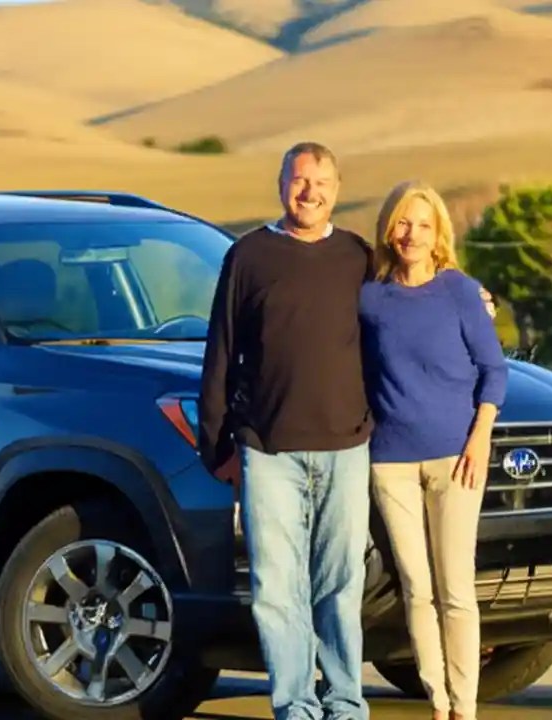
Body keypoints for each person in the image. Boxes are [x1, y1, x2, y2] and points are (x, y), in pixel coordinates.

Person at [198, 141, 374, 720]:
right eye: (300, 180)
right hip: (268, 451)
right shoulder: (249, 256)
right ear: (281, 185)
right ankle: (295, 706)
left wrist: (474, 299)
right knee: (277, 592)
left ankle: (345, 703)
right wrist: (216, 445)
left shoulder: (358, 258)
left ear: (337, 189)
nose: (310, 191)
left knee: (340, 585)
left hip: (347, 446)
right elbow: (220, 352)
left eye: (321, 181)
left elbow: (409, 310)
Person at [357, 180, 507, 720]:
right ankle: (438, 703)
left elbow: (494, 370)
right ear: (388, 229)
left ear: (438, 231)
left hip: (457, 459)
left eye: (422, 224)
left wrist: (480, 440)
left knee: (456, 589)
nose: (411, 234)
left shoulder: (460, 292)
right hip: (390, 461)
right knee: (417, 589)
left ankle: (465, 707)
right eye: (402, 222)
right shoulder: (370, 296)